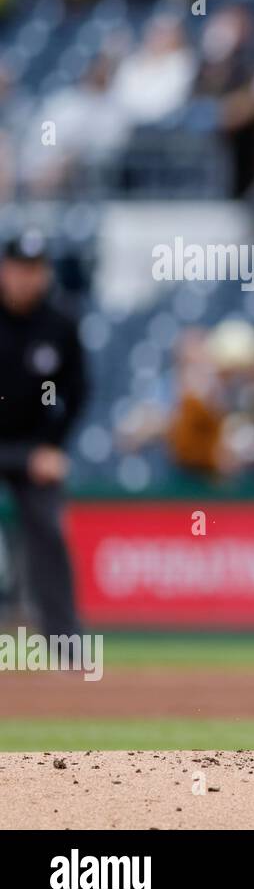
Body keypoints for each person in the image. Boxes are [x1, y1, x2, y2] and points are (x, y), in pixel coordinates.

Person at [0, 231, 87, 637]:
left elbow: (77, 389)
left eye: (34, 270)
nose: (24, 278)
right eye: (18, 268)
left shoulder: (59, 323)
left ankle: (65, 641)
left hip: (35, 448)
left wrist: (53, 445)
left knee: (49, 532)